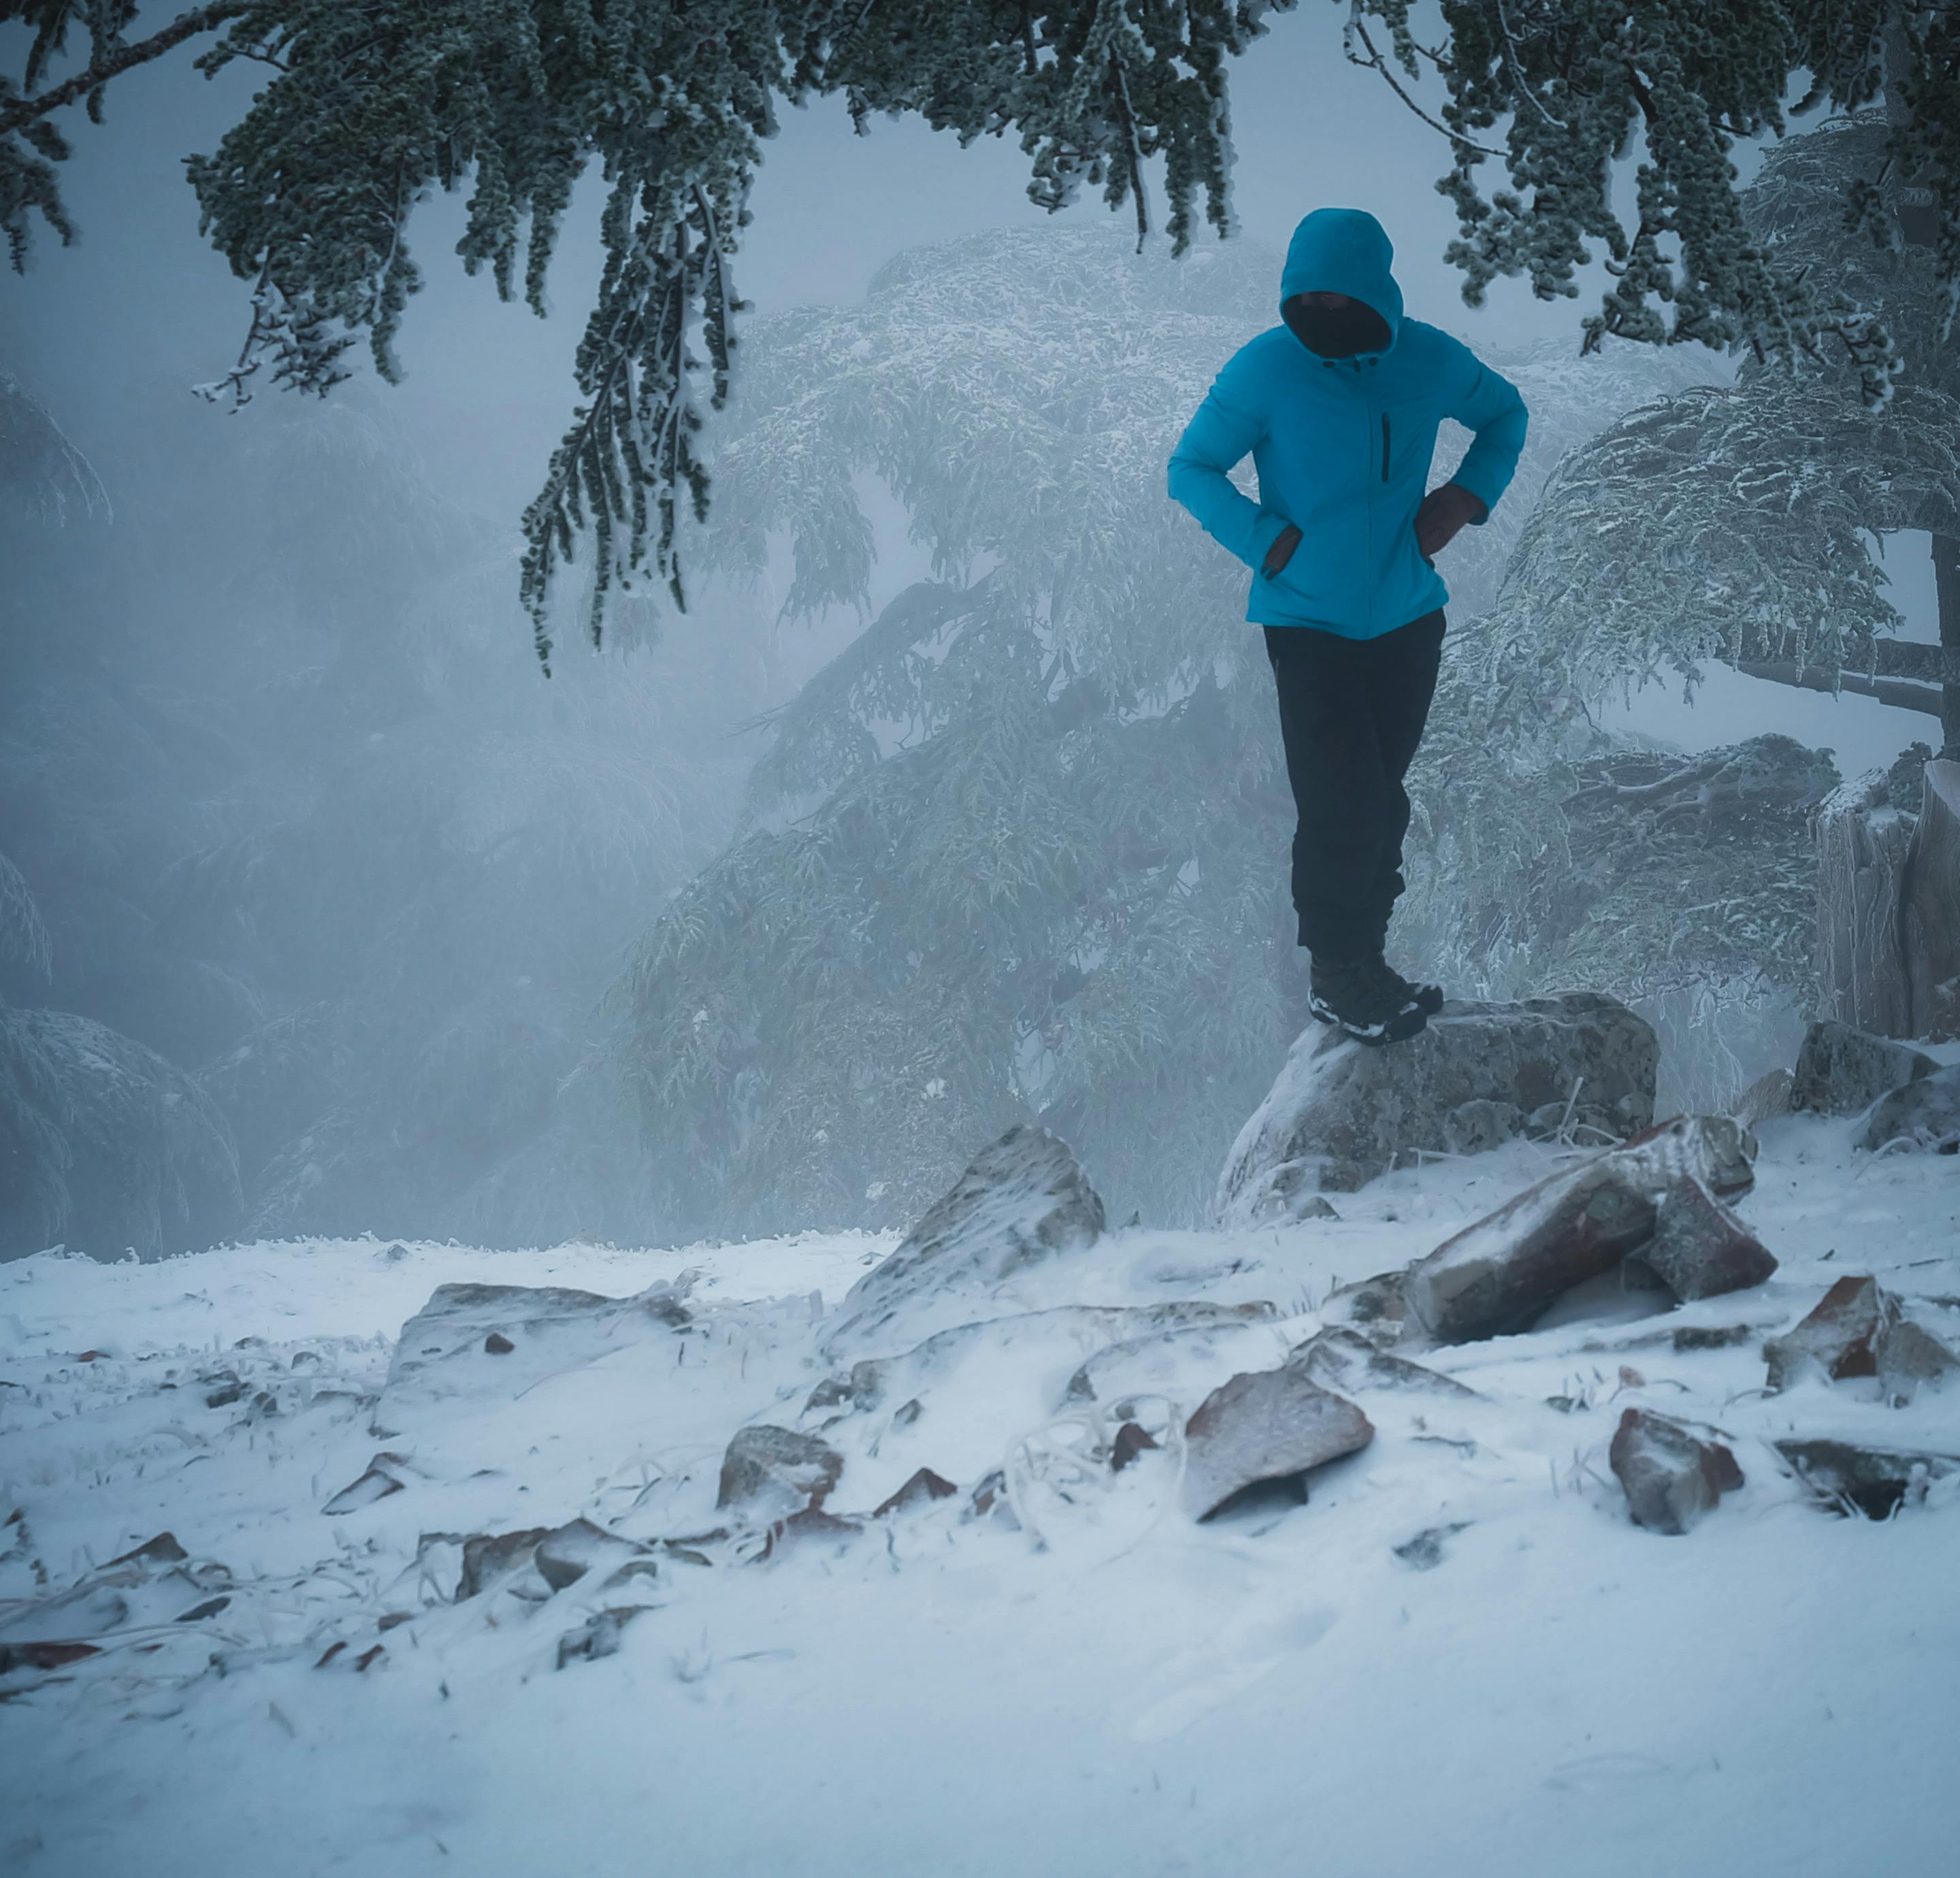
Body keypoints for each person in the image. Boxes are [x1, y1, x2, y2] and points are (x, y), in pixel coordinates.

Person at [1168, 207, 1527, 1044]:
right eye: (1309, 299)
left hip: (1406, 617)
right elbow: (1191, 468)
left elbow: (1504, 416)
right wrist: (1268, 540)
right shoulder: (1266, 370)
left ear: (1377, 290)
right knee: (1343, 803)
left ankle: (1365, 960)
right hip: (1309, 622)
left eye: (1341, 298)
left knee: (1382, 801)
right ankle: (1334, 974)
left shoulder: (1428, 359)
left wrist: (1461, 500)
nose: (1323, 315)